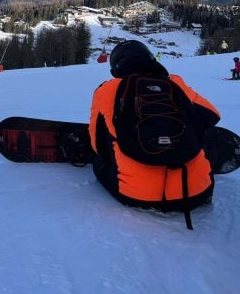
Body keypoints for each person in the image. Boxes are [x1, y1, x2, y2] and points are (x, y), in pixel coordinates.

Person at [90, 40, 221, 227]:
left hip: (137, 195)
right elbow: (212, 116)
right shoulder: (174, 83)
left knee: (99, 163)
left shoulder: (107, 90)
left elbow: (98, 145)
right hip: (197, 192)